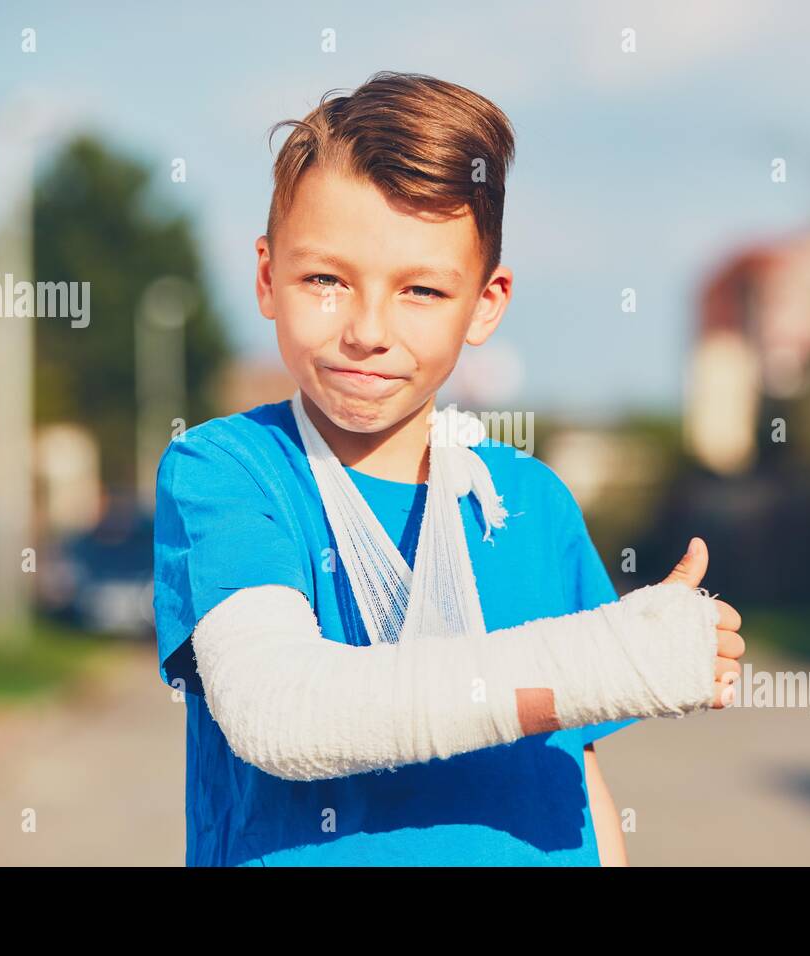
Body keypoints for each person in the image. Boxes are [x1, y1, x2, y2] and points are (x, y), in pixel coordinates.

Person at [152, 71, 745, 867]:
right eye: (325, 279)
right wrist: (612, 660)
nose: (367, 329)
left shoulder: (532, 503)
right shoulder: (228, 473)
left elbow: (581, 776)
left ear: (488, 302)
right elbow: (279, 711)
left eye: (422, 290)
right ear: (266, 276)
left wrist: (612, 669)